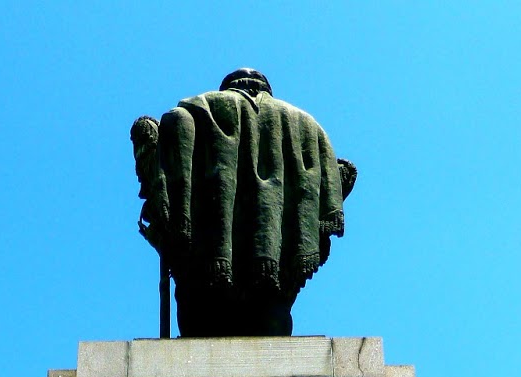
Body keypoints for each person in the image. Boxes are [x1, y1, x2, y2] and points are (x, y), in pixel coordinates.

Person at [131, 70, 356, 336]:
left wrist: (146, 140)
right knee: (272, 312)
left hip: (204, 265)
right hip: (276, 271)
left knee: (200, 319)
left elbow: (162, 176)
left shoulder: (193, 109)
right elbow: (335, 185)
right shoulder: (309, 126)